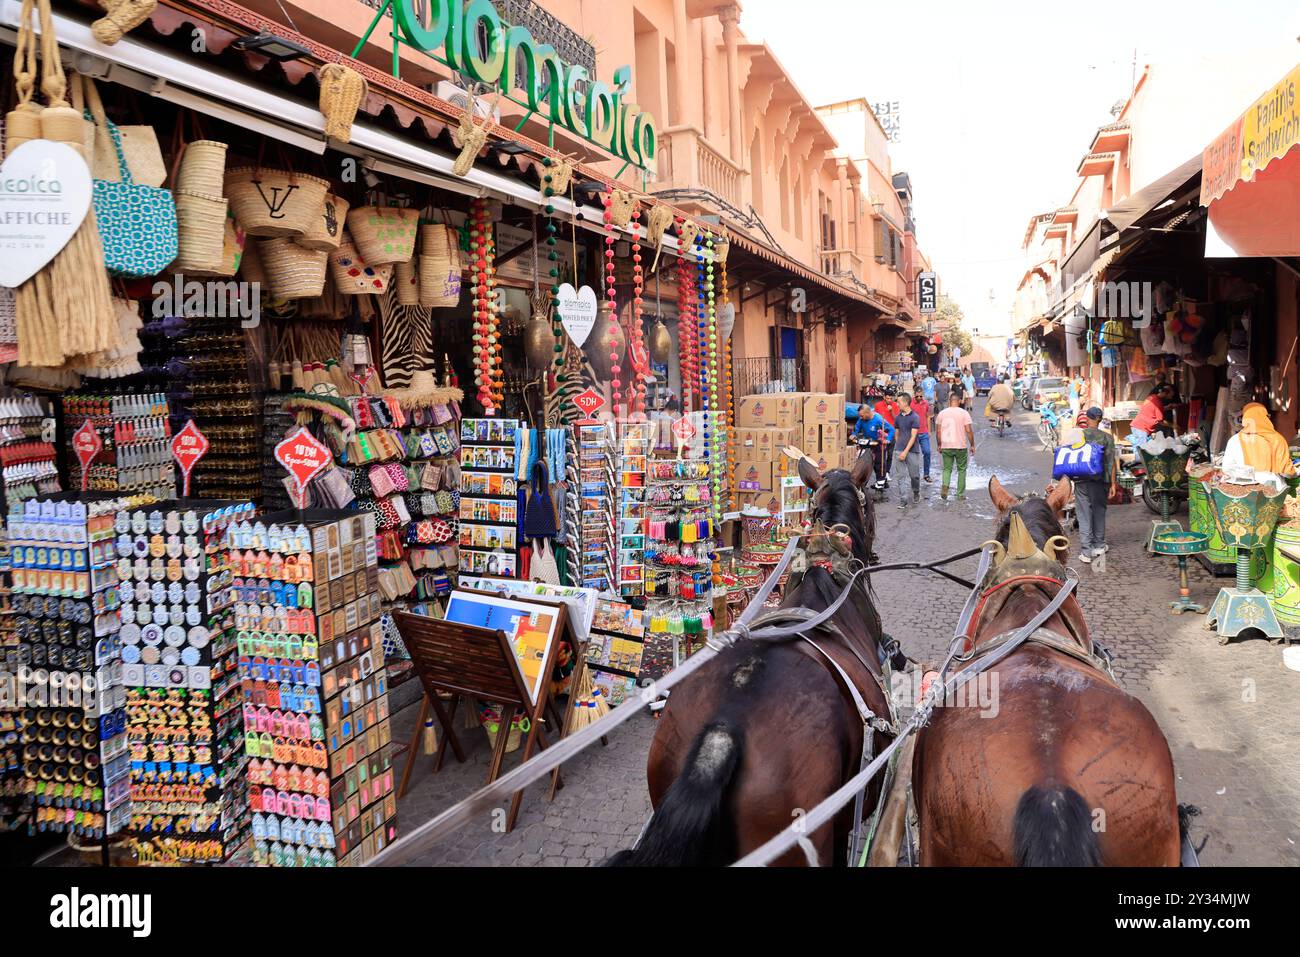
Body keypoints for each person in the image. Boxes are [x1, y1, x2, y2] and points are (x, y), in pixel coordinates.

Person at [1074, 406, 1117, 564]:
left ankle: (1086, 552)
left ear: (1087, 418)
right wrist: (1113, 483)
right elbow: (1112, 462)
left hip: (1081, 480)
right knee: (1099, 511)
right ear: (1100, 419)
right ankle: (1099, 545)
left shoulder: (1079, 435)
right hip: (1101, 481)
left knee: (1084, 514)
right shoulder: (1107, 438)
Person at [1222, 402, 1297, 476]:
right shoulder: (1278, 439)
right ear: (1265, 417)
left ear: (1245, 418)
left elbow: (1227, 469)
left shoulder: (1235, 440)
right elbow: (1286, 472)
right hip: (1274, 486)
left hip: (1244, 486)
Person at [935, 390, 976, 500]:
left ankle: (945, 488)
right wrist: (972, 444)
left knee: (947, 469)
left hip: (946, 446)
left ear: (949, 401)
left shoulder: (942, 414)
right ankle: (960, 494)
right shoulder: (964, 413)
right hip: (960, 447)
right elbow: (968, 430)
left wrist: (939, 444)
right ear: (958, 401)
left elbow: (938, 432)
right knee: (961, 470)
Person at [854, 405, 895, 489]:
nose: (860, 418)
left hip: (878, 444)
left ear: (868, 413)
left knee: (879, 465)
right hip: (867, 444)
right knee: (865, 463)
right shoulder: (861, 419)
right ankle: (864, 483)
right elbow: (857, 427)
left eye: (862, 416)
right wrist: (854, 434)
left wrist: (888, 439)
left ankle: (880, 485)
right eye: (860, 416)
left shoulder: (879, 419)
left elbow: (891, 429)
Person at [892, 393, 922, 509]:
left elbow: (913, 436)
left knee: (914, 475)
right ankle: (903, 500)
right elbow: (897, 432)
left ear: (905, 402)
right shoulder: (898, 417)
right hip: (899, 450)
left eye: (898, 402)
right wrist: (898, 446)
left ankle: (916, 492)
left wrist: (905, 451)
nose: (897, 404)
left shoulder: (915, 417)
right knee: (901, 476)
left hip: (912, 451)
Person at [1130, 383, 1176, 457]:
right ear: (1164, 393)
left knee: (1141, 451)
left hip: (1138, 426)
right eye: (1170, 395)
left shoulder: (1152, 397)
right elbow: (1161, 421)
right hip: (1141, 427)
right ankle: (1141, 467)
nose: (1170, 398)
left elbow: (1152, 410)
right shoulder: (1158, 403)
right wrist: (1174, 426)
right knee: (1141, 453)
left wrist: (1167, 407)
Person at [911, 391, 933, 482]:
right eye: (917, 396)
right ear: (914, 395)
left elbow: (928, 417)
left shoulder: (926, 403)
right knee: (914, 455)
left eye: (921, 396)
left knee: (927, 452)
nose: (919, 398)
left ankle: (926, 474)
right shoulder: (911, 404)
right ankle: (914, 474)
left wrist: (929, 430)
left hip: (924, 432)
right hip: (914, 433)